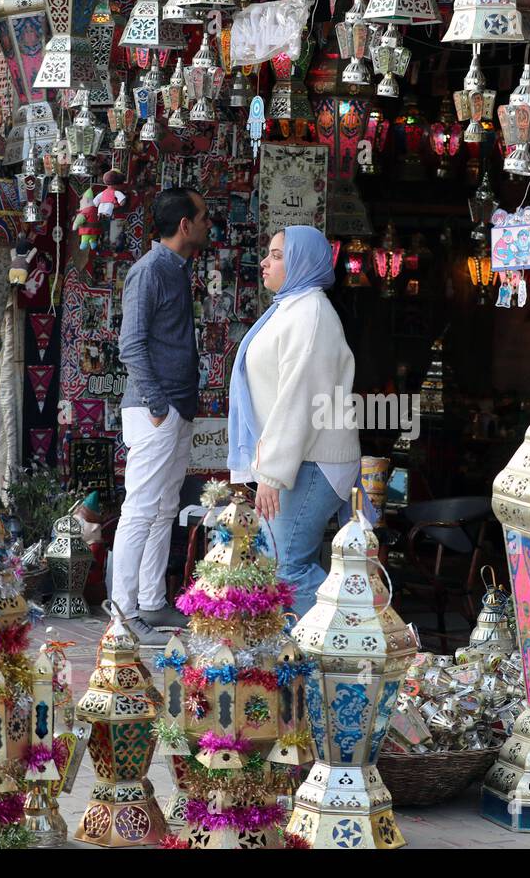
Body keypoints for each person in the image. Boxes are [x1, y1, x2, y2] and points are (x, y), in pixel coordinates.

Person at [228, 226, 362, 618]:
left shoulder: (311, 315)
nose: (266, 263)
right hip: (299, 460)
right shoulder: (291, 309)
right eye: (268, 254)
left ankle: (365, 632)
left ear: (303, 261)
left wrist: (272, 472)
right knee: (277, 569)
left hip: (313, 462)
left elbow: (298, 399)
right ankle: (301, 665)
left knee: (287, 570)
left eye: (277, 255)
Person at [111, 187, 209, 640]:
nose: (209, 224)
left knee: (164, 507)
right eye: (203, 217)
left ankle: (150, 603)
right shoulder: (150, 271)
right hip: (157, 409)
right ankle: (122, 614)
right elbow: (130, 343)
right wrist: (156, 404)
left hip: (173, 407)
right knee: (141, 509)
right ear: (185, 225)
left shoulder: (174, 269)